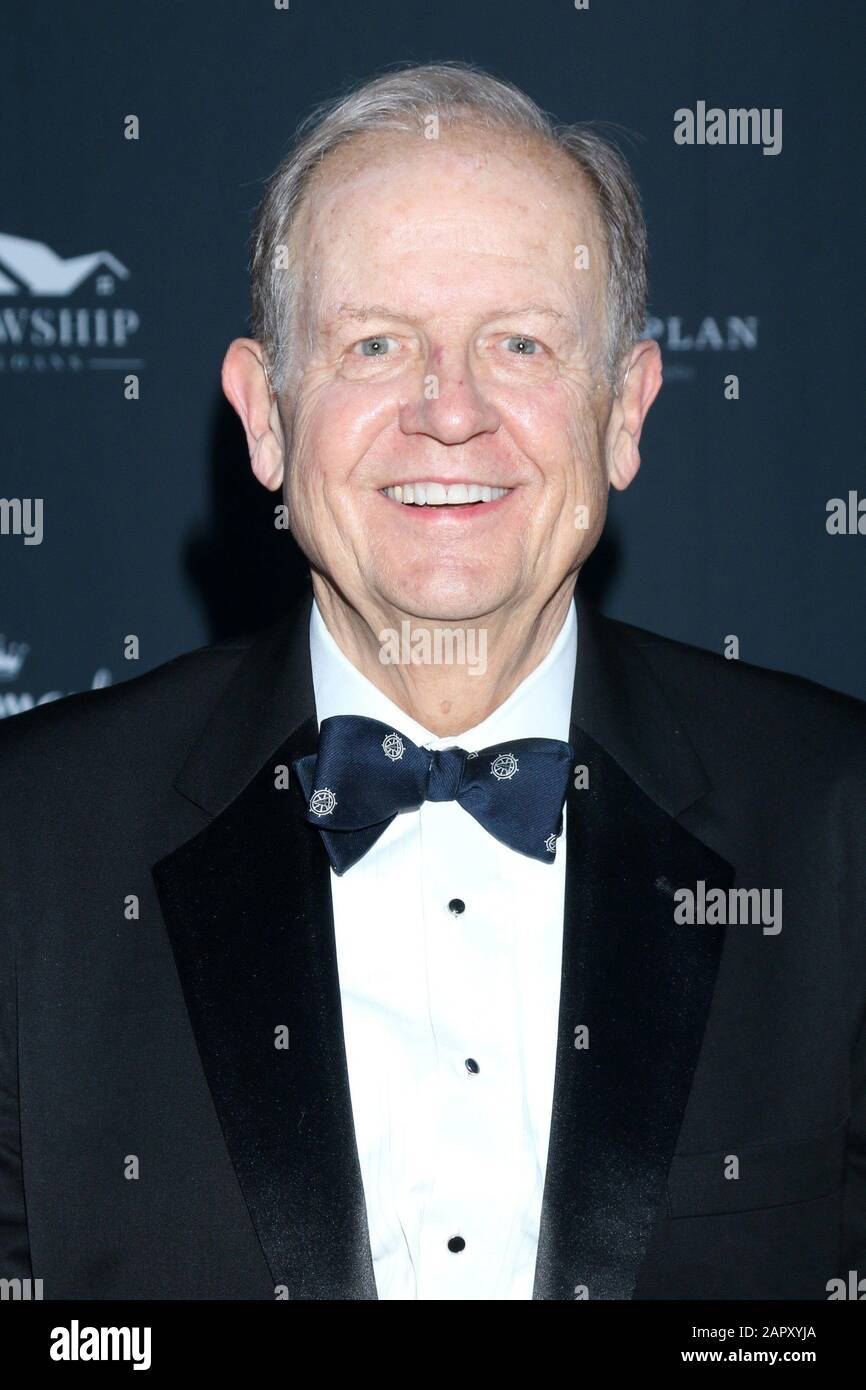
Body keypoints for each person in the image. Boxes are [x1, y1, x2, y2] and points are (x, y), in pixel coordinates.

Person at [1, 61, 864, 1302]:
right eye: (373, 342)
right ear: (265, 418)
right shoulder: (30, 843)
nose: (447, 412)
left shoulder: (834, 820)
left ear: (623, 410)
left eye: (518, 341)